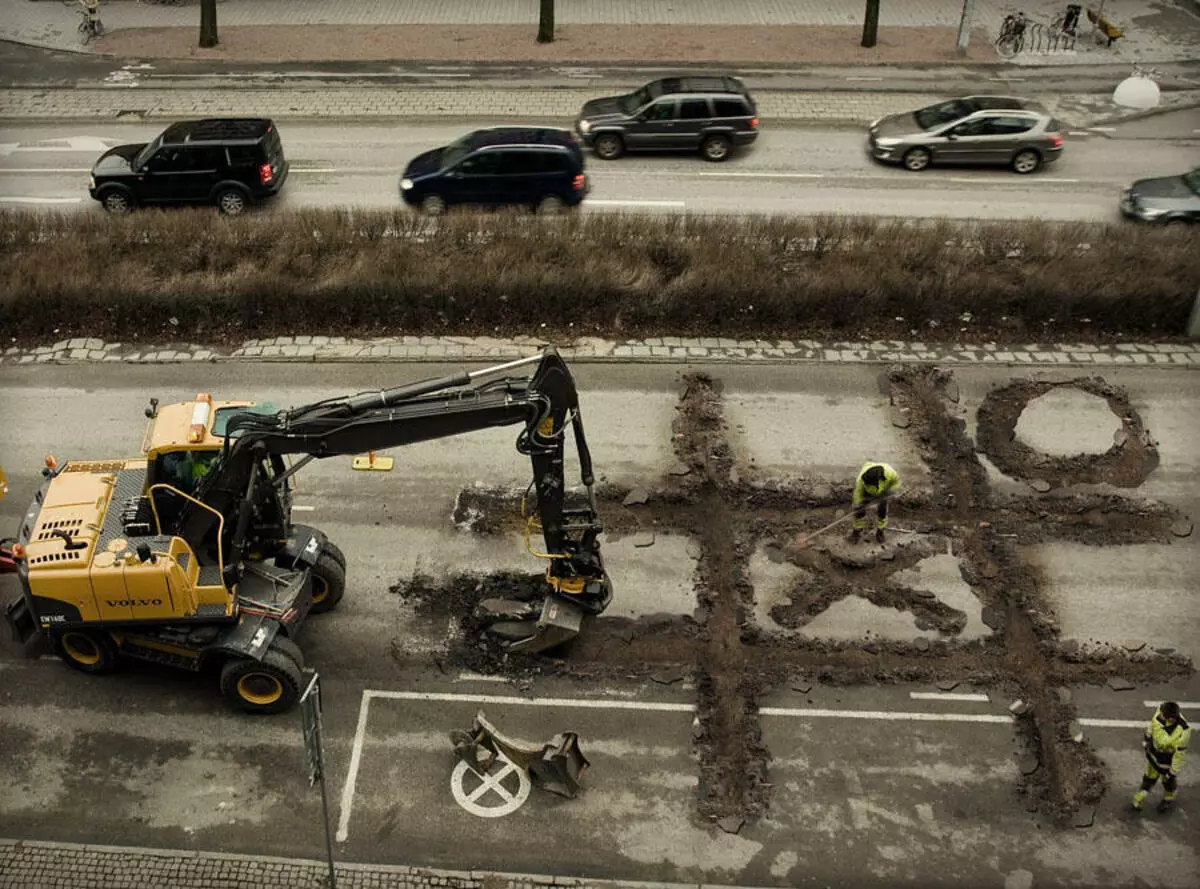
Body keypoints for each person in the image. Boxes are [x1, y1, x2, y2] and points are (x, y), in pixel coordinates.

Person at [1133, 701, 1190, 812]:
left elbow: (1179, 755)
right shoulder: (1161, 711)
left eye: (1162, 715)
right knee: (1148, 778)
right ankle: (1138, 799)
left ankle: (1168, 799)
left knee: (1168, 782)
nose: (1159, 716)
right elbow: (1153, 725)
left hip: (1166, 762)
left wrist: (1173, 772)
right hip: (1154, 755)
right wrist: (1147, 738)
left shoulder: (1183, 731)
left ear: (1171, 719)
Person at [849, 462, 900, 544]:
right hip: (866, 492)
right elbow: (857, 495)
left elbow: (896, 483)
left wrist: (889, 492)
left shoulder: (890, 473)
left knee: (882, 511)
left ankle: (880, 530)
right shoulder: (861, 481)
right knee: (858, 512)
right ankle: (857, 530)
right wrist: (858, 505)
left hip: (883, 491)